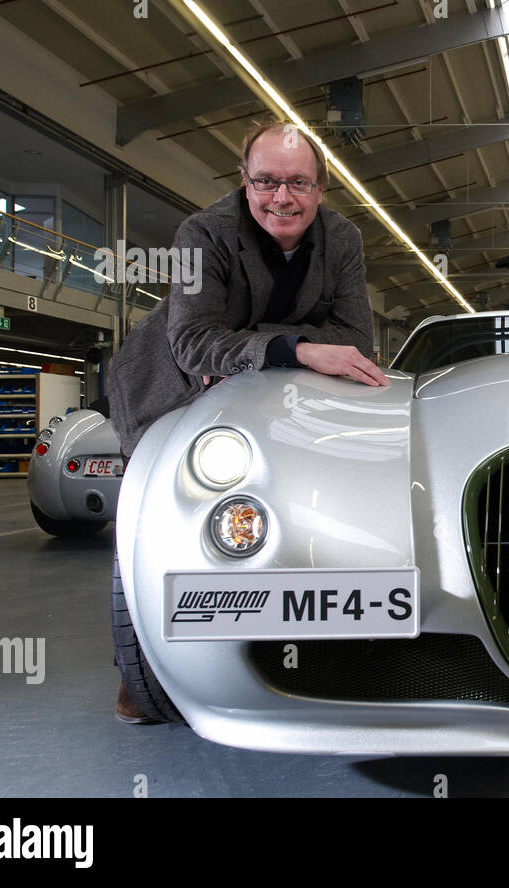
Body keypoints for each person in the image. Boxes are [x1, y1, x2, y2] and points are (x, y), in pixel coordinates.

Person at [107, 121, 388, 723]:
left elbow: (354, 336)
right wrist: (301, 348)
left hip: (269, 390)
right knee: (157, 520)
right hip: (167, 387)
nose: (281, 198)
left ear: (320, 188)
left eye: (297, 183)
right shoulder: (198, 235)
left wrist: (267, 349)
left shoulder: (342, 239)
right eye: (265, 182)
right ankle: (142, 671)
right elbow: (191, 342)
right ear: (244, 181)